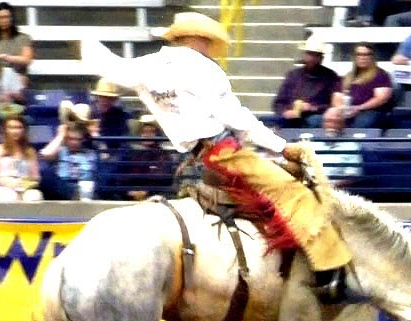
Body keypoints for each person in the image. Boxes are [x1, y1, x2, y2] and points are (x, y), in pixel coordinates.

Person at [81, 11, 354, 302]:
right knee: (293, 192)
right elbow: (237, 118)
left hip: (189, 160)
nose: (210, 47)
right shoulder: (204, 69)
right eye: (208, 41)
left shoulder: (148, 66)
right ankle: (328, 273)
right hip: (222, 152)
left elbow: (111, 68)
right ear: (197, 38)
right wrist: (281, 146)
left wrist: (86, 44)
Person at [272, 37, 341, 128]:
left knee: (315, 121)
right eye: (309, 54)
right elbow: (279, 102)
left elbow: (333, 105)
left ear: (321, 58)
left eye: (316, 55)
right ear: (304, 55)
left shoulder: (330, 76)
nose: (312, 58)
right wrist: (285, 111)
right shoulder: (293, 75)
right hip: (290, 114)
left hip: (314, 115)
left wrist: (312, 108)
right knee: (266, 120)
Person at [0, 114, 43, 201]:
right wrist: (11, 185)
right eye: (11, 127)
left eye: (19, 127)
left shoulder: (30, 151)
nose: (16, 131)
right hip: (0, 186)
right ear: (5, 130)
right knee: (10, 197)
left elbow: (35, 177)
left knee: (34, 196)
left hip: (23, 185)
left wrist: (24, 185)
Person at [0, 2, 34, 81]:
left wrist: (5, 57)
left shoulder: (23, 38)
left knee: (22, 79)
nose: (3, 20)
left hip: (17, 78)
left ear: (11, 18)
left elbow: (27, 59)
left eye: (6, 17)